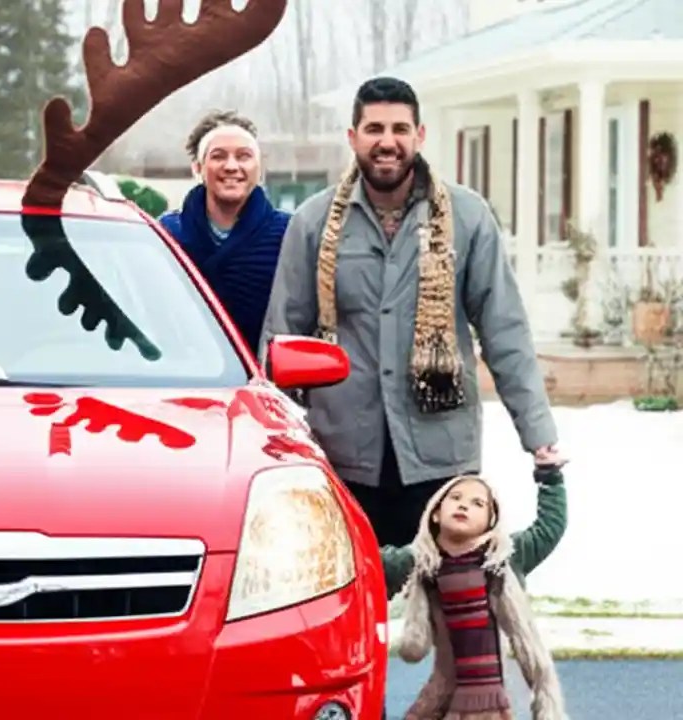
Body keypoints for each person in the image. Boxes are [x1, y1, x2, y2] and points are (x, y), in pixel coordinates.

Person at [260, 77, 561, 548]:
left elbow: (505, 330)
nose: (388, 142)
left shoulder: (467, 217)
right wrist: (274, 438)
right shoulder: (313, 222)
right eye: (374, 129)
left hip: (441, 460)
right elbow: (281, 338)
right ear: (353, 136)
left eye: (399, 129)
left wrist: (537, 432)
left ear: (419, 135)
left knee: (441, 588)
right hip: (342, 455)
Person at [382, 463, 568, 718]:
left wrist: (549, 476)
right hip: (444, 693)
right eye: (455, 498)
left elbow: (549, 527)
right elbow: (365, 556)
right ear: (435, 514)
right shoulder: (419, 561)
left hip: (491, 699)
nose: (463, 506)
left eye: (477, 503)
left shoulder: (505, 557)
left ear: (491, 522)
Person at [158, 110, 290, 355]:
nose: (231, 167)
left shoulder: (288, 233)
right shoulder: (166, 234)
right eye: (218, 156)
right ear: (197, 167)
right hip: (182, 367)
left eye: (244, 156)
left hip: (262, 372)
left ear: (259, 168)